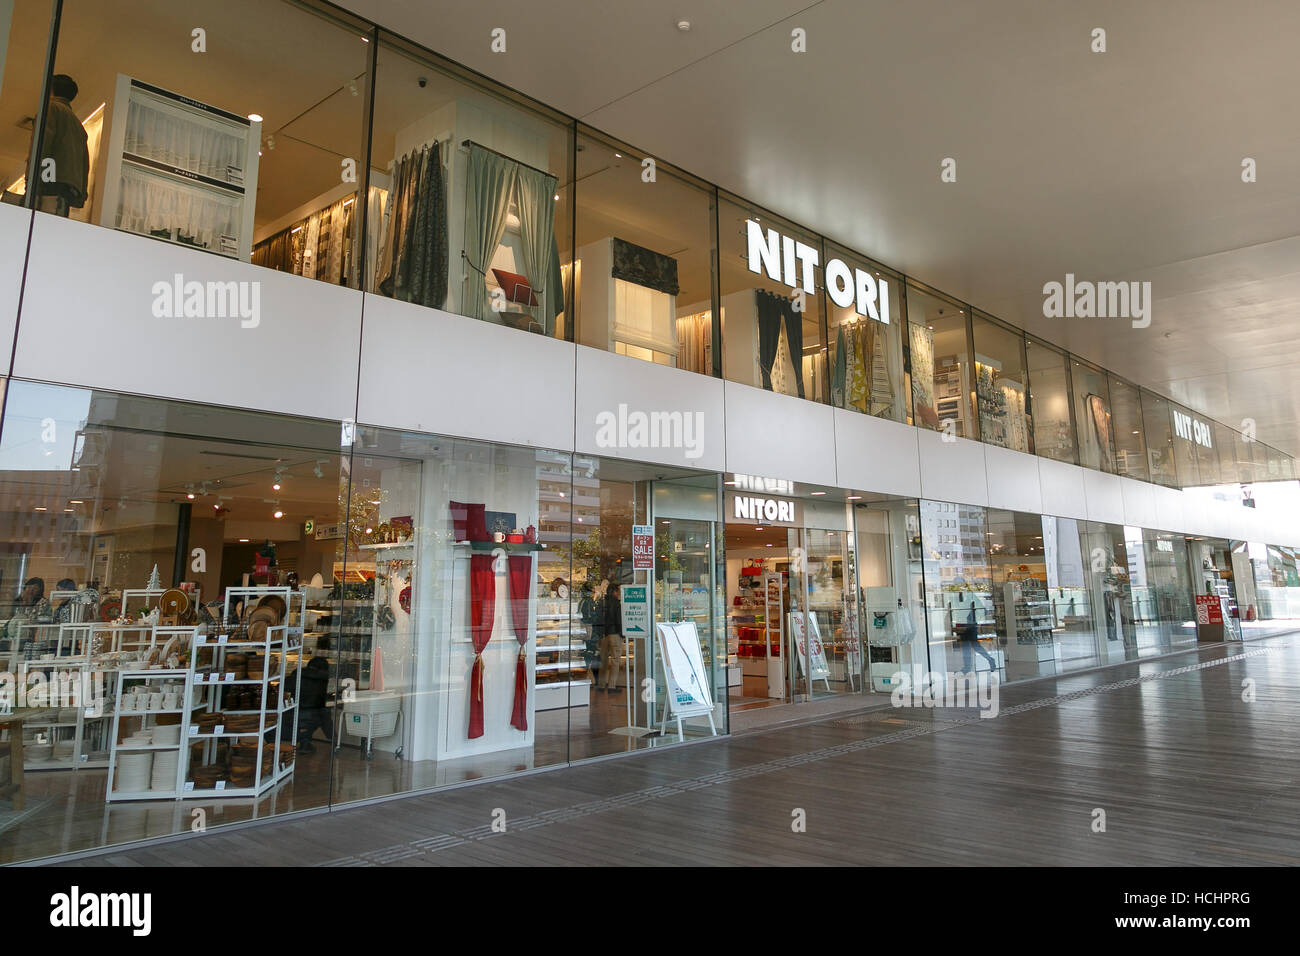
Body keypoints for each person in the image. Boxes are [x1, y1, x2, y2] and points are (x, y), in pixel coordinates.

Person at [34, 74, 89, 218]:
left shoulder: (51, 109)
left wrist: (35, 178)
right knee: (53, 226)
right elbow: (85, 163)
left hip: (50, 179)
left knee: (37, 225)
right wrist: (82, 193)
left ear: (51, 89)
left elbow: (42, 145)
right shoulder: (78, 125)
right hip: (69, 187)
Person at [297, 637, 333, 753]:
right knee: (323, 713)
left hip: (289, 716)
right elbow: (320, 706)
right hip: (307, 717)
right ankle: (333, 738)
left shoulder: (297, 676)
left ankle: (305, 740)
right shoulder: (320, 682)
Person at [957, 602, 998, 674]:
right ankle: (967, 667)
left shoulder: (972, 598)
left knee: (975, 646)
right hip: (964, 627)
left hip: (971, 627)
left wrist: (976, 619)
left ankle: (990, 660)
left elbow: (983, 611)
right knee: (965, 648)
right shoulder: (962, 601)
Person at [598, 579, 623, 692]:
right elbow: (619, 621)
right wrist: (622, 634)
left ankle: (601, 685)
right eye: (618, 591)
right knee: (615, 660)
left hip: (604, 635)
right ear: (614, 592)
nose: (619, 593)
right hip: (614, 634)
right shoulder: (617, 603)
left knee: (603, 661)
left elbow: (598, 619)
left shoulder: (601, 602)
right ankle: (612, 686)